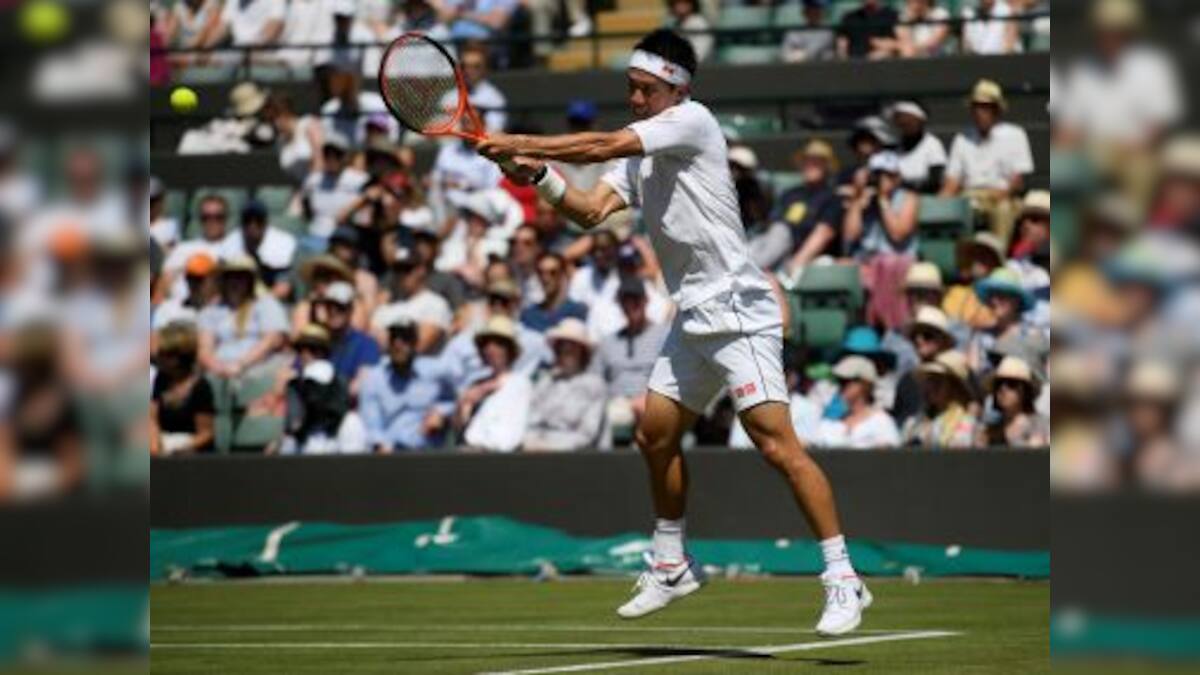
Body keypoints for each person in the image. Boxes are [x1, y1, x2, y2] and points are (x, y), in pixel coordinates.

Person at [474, 29, 871, 634]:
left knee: (776, 446)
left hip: (739, 313)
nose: (635, 98)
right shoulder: (641, 157)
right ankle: (671, 563)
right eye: (630, 87)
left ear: (677, 90)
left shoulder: (694, 121)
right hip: (692, 316)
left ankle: (843, 577)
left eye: (646, 90)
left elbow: (601, 144)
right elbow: (589, 212)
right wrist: (536, 175)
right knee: (654, 435)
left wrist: (520, 140)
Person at [940, 80, 1035, 245]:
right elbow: (952, 181)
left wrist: (1000, 195)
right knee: (956, 209)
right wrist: (938, 203)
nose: (979, 112)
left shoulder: (1015, 135)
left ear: (997, 110)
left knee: (1003, 210)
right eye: (976, 107)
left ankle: (999, 256)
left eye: (985, 107)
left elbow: (1019, 179)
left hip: (1002, 196)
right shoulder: (961, 139)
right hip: (969, 196)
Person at [359, 317, 458, 452]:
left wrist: (441, 413)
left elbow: (453, 400)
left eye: (405, 338)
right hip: (391, 452)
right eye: (394, 338)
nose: (398, 344)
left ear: (415, 343)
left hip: (429, 452)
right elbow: (372, 426)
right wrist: (381, 445)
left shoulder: (437, 371)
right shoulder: (374, 378)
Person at [594, 277, 671, 435]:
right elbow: (595, 380)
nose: (630, 305)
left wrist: (650, 398)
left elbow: (672, 378)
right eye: (625, 301)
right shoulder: (608, 342)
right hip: (615, 404)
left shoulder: (664, 336)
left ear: (646, 301)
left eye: (635, 299)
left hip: (651, 403)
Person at [197, 256, 290, 381]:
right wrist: (219, 368)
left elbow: (272, 340)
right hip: (220, 370)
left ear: (250, 281)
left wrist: (241, 364)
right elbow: (205, 349)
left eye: (241, 277)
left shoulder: (266, 305)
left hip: (259, 368)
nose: (235, 282)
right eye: (230, 277)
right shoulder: (211, 311)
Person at [523, 318, 608, 451]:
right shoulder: (545, 381)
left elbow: (587, 435)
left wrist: (549, 447)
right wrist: (532, 443)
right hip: (535, 449)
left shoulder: (595, 385)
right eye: (560, 347)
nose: (564, 351)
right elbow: (530, 422)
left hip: (573, 456)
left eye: (571, 348)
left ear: (582, 352)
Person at [457, 315, 532, 452]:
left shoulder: (519, 383)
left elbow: (510, 435)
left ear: (509, 349)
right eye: (486, 344)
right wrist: (465, 403)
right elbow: (461, 426)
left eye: (498, 344)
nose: (491, 349)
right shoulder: (476, 383)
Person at [372, 245, 454, 354]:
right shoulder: (386, 305)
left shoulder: (435, 304)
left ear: (421, 270)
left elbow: (419, 346)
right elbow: (370, 342)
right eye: (398, 270)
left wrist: (384, 337)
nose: (401, 275)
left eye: (407, 269)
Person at [779, 140, 844, 274]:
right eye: (807, 161)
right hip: (781, 253)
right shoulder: (789, 194)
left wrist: (794, 265)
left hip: (811, 261)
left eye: (816, 162)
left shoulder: (832, 197)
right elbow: (775, 226)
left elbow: (825, 232)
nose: (810, 166)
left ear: (827, 167)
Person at [151, 323, 216, 455]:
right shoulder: (161, 380)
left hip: (190, 451)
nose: (157, 357)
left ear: (176, 358)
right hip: (162, 442)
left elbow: (206, 434)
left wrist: (177, 448)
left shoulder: (200, 386)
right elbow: (152, 418)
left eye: (163, 354)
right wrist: (155, 442)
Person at [301, 131, 370, 250]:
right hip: (314, 235)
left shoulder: (358, 179)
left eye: (337, 155)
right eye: (327, 154)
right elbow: (306, 206)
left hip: (343, 238)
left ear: (345, 157)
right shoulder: (313, 180)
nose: (331, 159)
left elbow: (376, 190)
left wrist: (351, 208)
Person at [892, 305, 957, 428]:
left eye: (927, 335)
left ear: (942, 339)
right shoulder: (907, 381)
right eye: (914, 335)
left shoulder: (957, 374)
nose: (919, 340)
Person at [219, 199, 298, 300]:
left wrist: (259, 304)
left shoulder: (282, 243)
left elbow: (283, 288)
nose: (253, 226)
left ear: (265, 223)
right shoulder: (229, 245)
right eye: (247, 220)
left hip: (270, 301)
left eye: (258, 221)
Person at [816, 356, 900, 449]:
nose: (841, 386)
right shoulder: (830, 423)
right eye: (840, 381)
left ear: (865, 384)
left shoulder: (882, 422)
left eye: (846, 381)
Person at [314, 281, 381, 395]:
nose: (333, 311)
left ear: (350, 310)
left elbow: (362, 384)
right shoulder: (317, 341)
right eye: (329, 306)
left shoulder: (366, 344)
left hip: (346, 402)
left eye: (340, 307)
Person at [902, 349, 979, 449]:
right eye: (930, 380)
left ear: (955, 387)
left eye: (938, 382)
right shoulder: (914, 421)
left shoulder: (965, 422)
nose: (931, 387)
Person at [977, 355, 1048, 448]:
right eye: (999, 384)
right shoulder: (989, 432)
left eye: (1011, 383)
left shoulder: (1042, 425)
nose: (1003, 389)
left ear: (1025, 390)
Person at [520, 252, 589, 332]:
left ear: (563, 275)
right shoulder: (529, 315)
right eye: (540, 273)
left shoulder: (577, 312)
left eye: (553, 273)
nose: (545, 278)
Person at [889, 101, 946, 194]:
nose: (905, 125)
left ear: (920, 121)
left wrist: (907, 187)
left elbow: (935, 182)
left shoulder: (933, 144)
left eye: (909, 122)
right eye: (902, 123)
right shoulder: (895, 148)